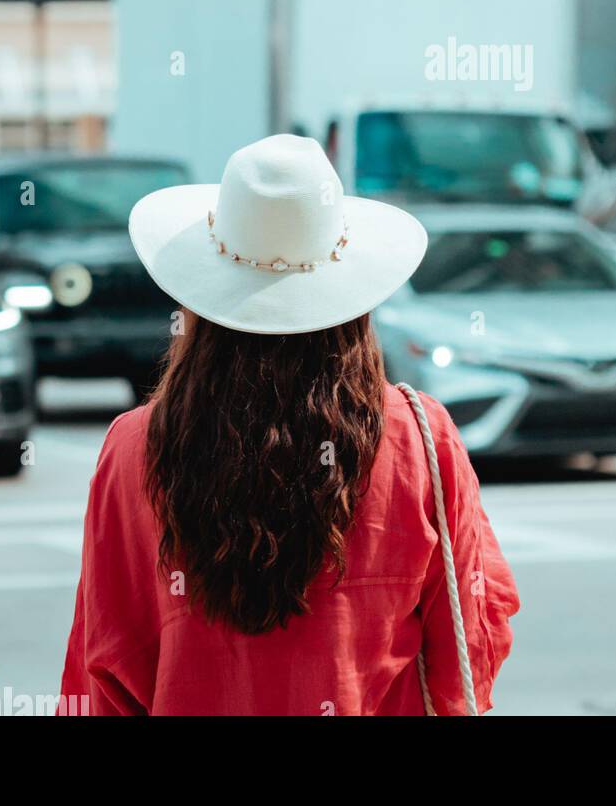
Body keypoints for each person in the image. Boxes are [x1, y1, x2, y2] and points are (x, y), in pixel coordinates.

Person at [59, 134, 519, 715]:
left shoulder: (134, 448)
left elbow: (102, 667)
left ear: (202, 301)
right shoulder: (420, 438)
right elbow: (469, 652)